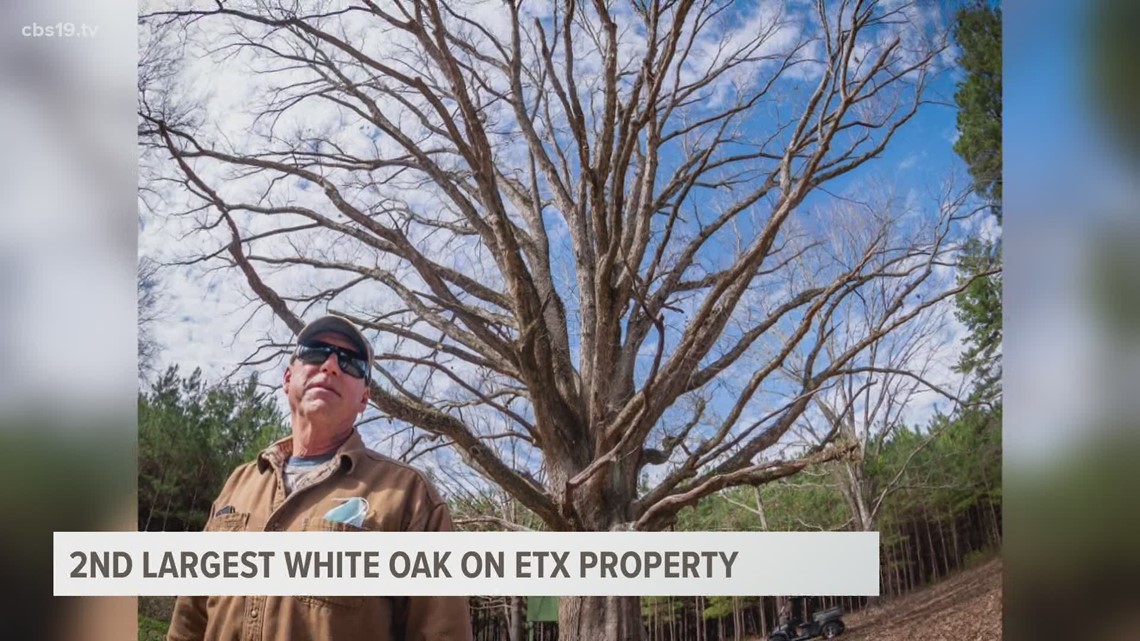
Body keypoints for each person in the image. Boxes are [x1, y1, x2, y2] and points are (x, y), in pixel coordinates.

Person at [167, 315, 474, 641]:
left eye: (351, 363)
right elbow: (190, 617)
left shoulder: (410, 497)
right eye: (315, 352)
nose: (330, 366)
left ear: (364, 399)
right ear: (288, 377)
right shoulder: (238, 484)